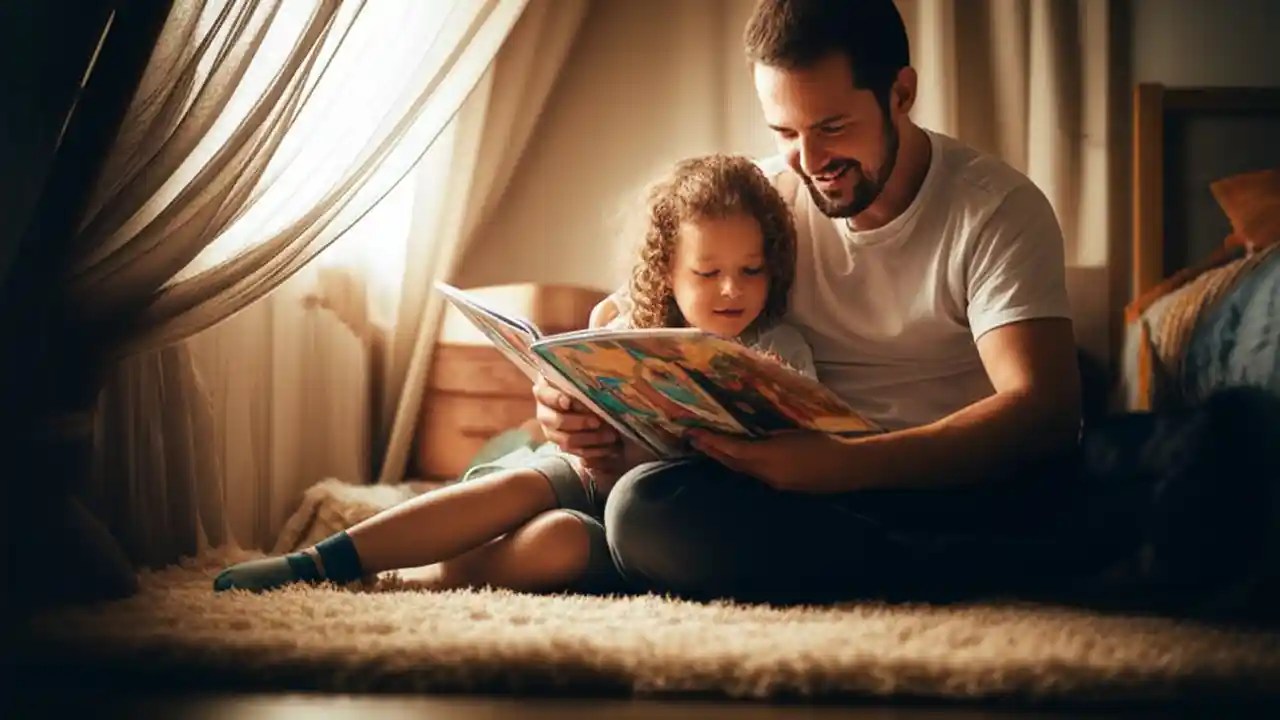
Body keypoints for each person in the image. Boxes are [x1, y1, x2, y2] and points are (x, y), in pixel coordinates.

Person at [536, 0, 1095, 604]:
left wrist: (846, 466)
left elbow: (1046, 412)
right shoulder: (769, 197)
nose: (809, 160)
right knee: (611, 494)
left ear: (901, 93)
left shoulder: (995, 210)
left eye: (832, 127)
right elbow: (635, 316)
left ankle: (950, 567)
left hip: (936, 488)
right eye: (784, 132)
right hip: (784, 487)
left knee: (642, 513)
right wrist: (571, 400)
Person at [213, 154, 815, 595]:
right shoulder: (627, 325)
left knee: (559, 541)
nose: (733, 289)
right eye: (708, 273)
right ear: (669, 273)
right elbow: (576, 416)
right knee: (521, 485)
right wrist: (567, 400)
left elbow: (799, 458)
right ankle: (315, 564)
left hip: (668, 515)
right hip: (592, 474)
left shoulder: (782, 348)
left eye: (752, 269)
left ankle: (416, 578)